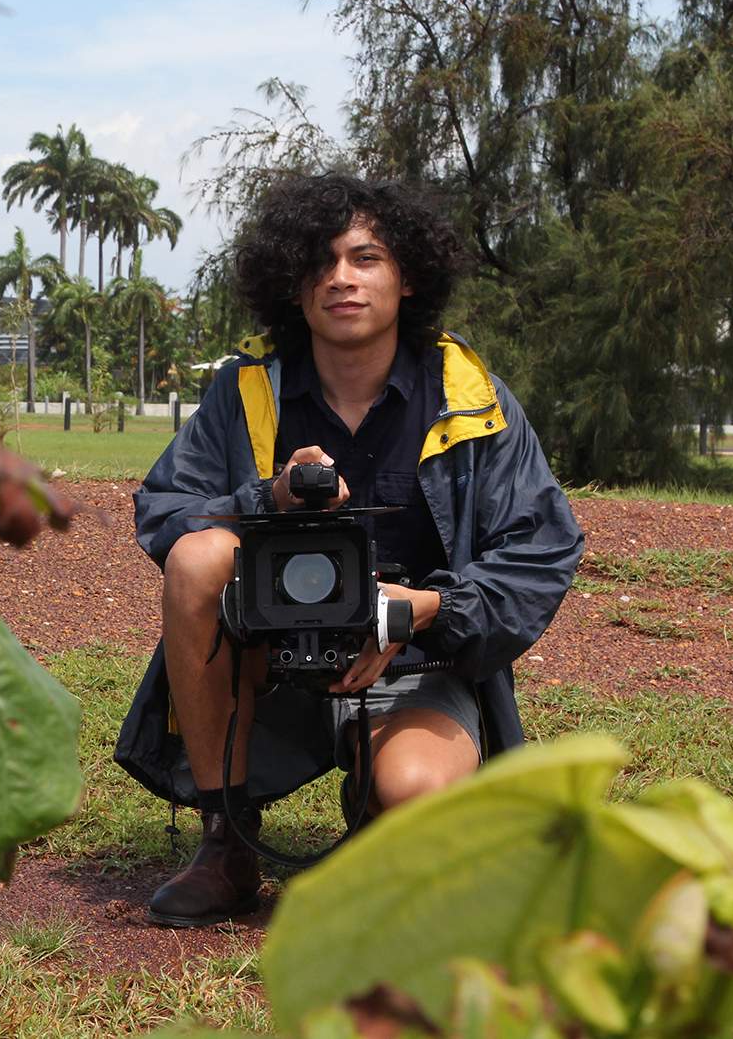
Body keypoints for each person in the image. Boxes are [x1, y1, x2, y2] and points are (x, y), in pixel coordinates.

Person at [114, 174, 584, 928]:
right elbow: (164, 509)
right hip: (269, 663)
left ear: (407, 277)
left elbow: (542, 548)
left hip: (414, 663)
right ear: (292, 287)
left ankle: (376, 797)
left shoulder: (471, 398)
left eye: (365, 257)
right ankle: (225, 841)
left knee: (418, 794)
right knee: (199, 558)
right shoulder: (245, 391)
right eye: (321, 261)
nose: (341, 277)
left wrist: (422, 608)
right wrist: (267, 498)